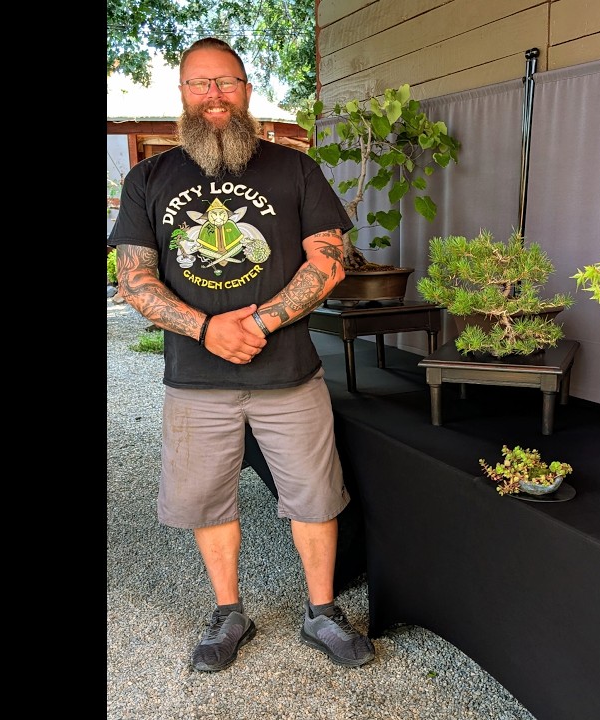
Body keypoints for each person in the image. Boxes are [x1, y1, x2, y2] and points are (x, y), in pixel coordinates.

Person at [108, 37, 375, 672]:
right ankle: (229, 613)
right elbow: (134, 279)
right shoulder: (147, 178)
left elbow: (329, 259)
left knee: (313, 494)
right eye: (199, 84)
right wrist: (206, 329)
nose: (213, 96)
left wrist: (259, 320)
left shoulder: (295, 170)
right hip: (196, 377)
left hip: (289, 375)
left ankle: (321, 611)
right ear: (183, 95)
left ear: (247, 90)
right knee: (207, 499)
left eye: (225, 82)